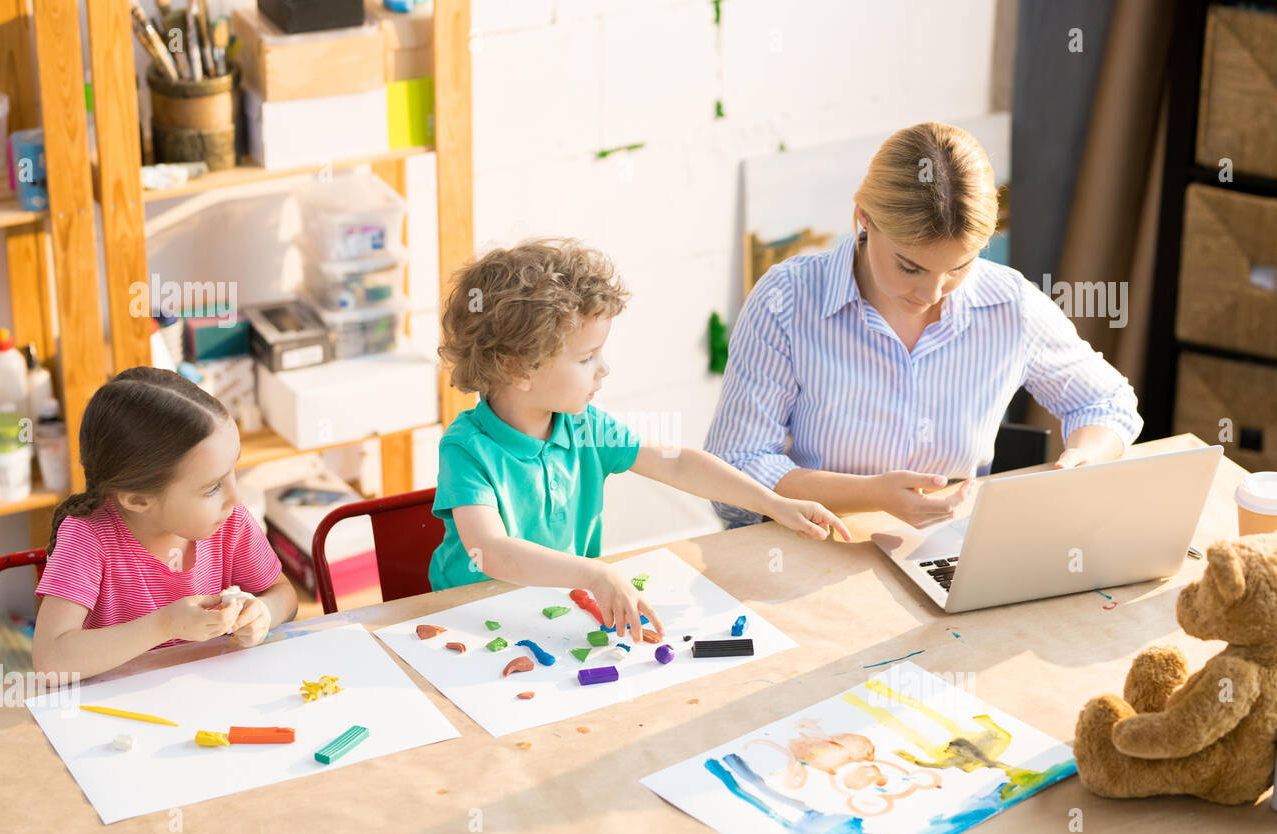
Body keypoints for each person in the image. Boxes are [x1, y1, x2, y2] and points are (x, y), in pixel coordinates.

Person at [705, 121, 1143, 529]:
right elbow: (732, 474)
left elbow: (1108, 404)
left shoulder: (1011, 304)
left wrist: (1081, 459)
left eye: (959, 267)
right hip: (817, 548)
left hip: (948, 552)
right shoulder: (788, 299)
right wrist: (871, 495)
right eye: (909, 267)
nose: (933, 295)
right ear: (864, 219)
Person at [429, 239, 850, 640]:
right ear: (518, 368)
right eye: (585, 358)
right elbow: (493, 551)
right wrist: (595, 573)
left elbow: (676, 463)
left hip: (554, 606)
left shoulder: (586, 427)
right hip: (468, 615)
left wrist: (773, 503)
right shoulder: (468, 448)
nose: (604, 369)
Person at [32, 367, 297, 679]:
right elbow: (49, 661)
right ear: (138, 500)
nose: (235, 498)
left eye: (233, 470)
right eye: (211, 487)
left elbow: (284, 594)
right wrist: (164, 625)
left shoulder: (228, 520)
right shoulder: (88, 538)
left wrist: (266, 613)